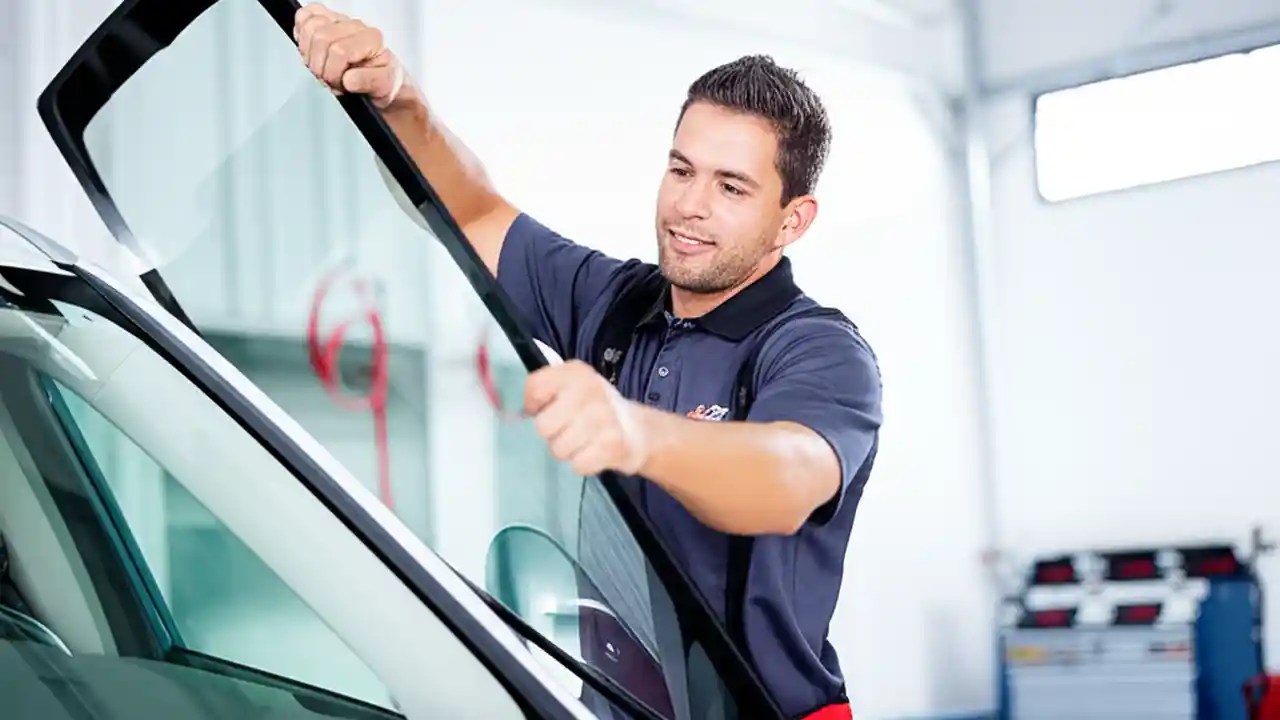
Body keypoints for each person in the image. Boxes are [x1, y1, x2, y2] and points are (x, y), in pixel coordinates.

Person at [294, 5, 883, 719]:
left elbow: (787, 477)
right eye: (680, 169)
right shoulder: (616, 302)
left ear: (792, 220)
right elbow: (474, 214)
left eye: (731, 187)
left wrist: (633, 433)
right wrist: (399, 100)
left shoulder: (818, 349)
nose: (688, 206)